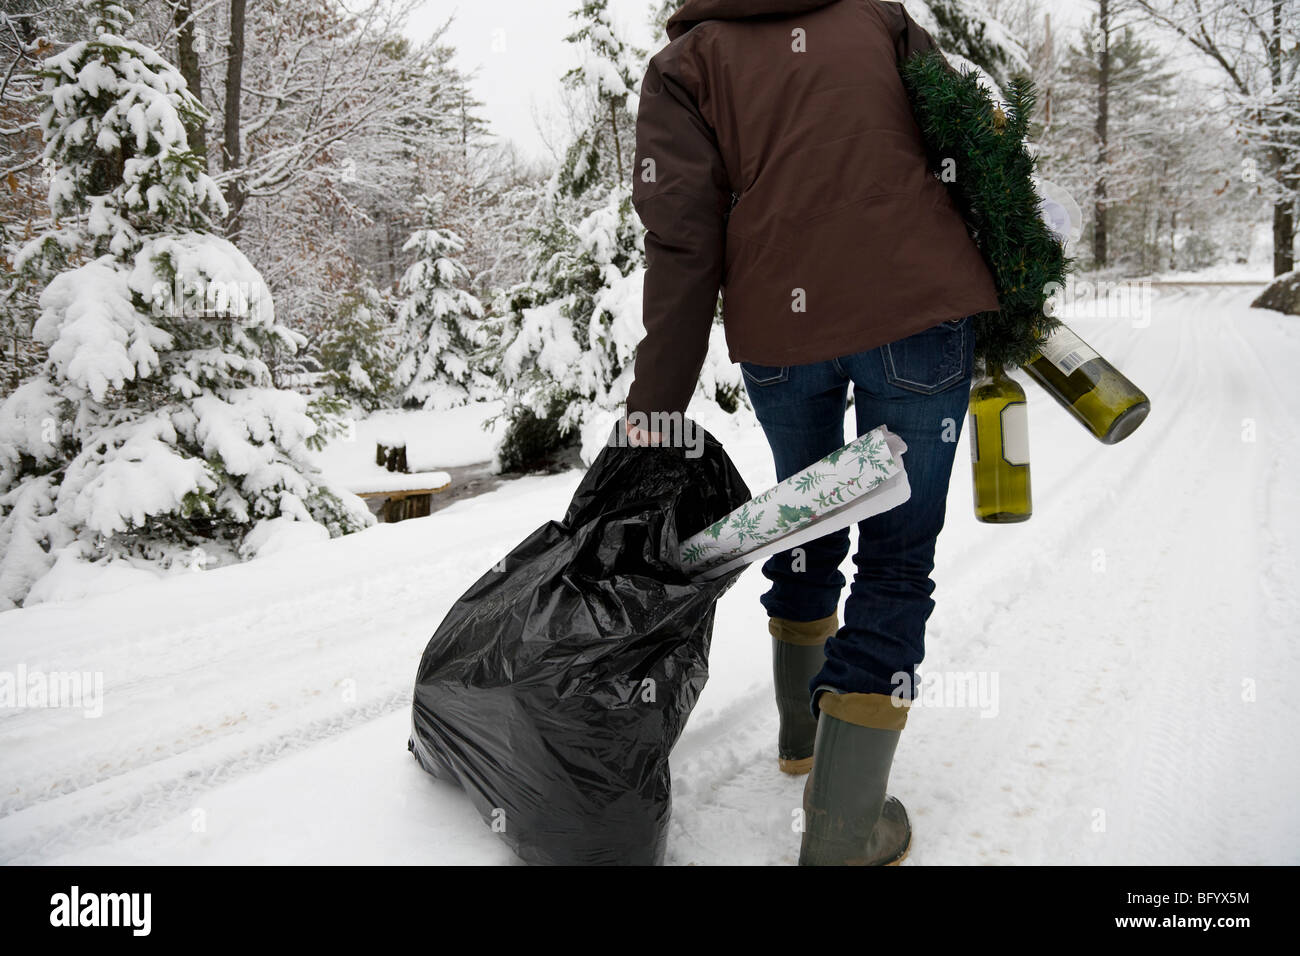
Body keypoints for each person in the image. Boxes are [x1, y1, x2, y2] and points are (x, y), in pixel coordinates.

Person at [623, 0, 1000, 866]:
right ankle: (843, 824)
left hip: (782, 336)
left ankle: (801, 735)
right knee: (898, 555)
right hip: (919, 308)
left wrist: (658, 403)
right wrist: (1008, 272)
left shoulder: (686, 64)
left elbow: (681, 242)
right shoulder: (881, 19)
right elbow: (972, 153)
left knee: (807, 517)